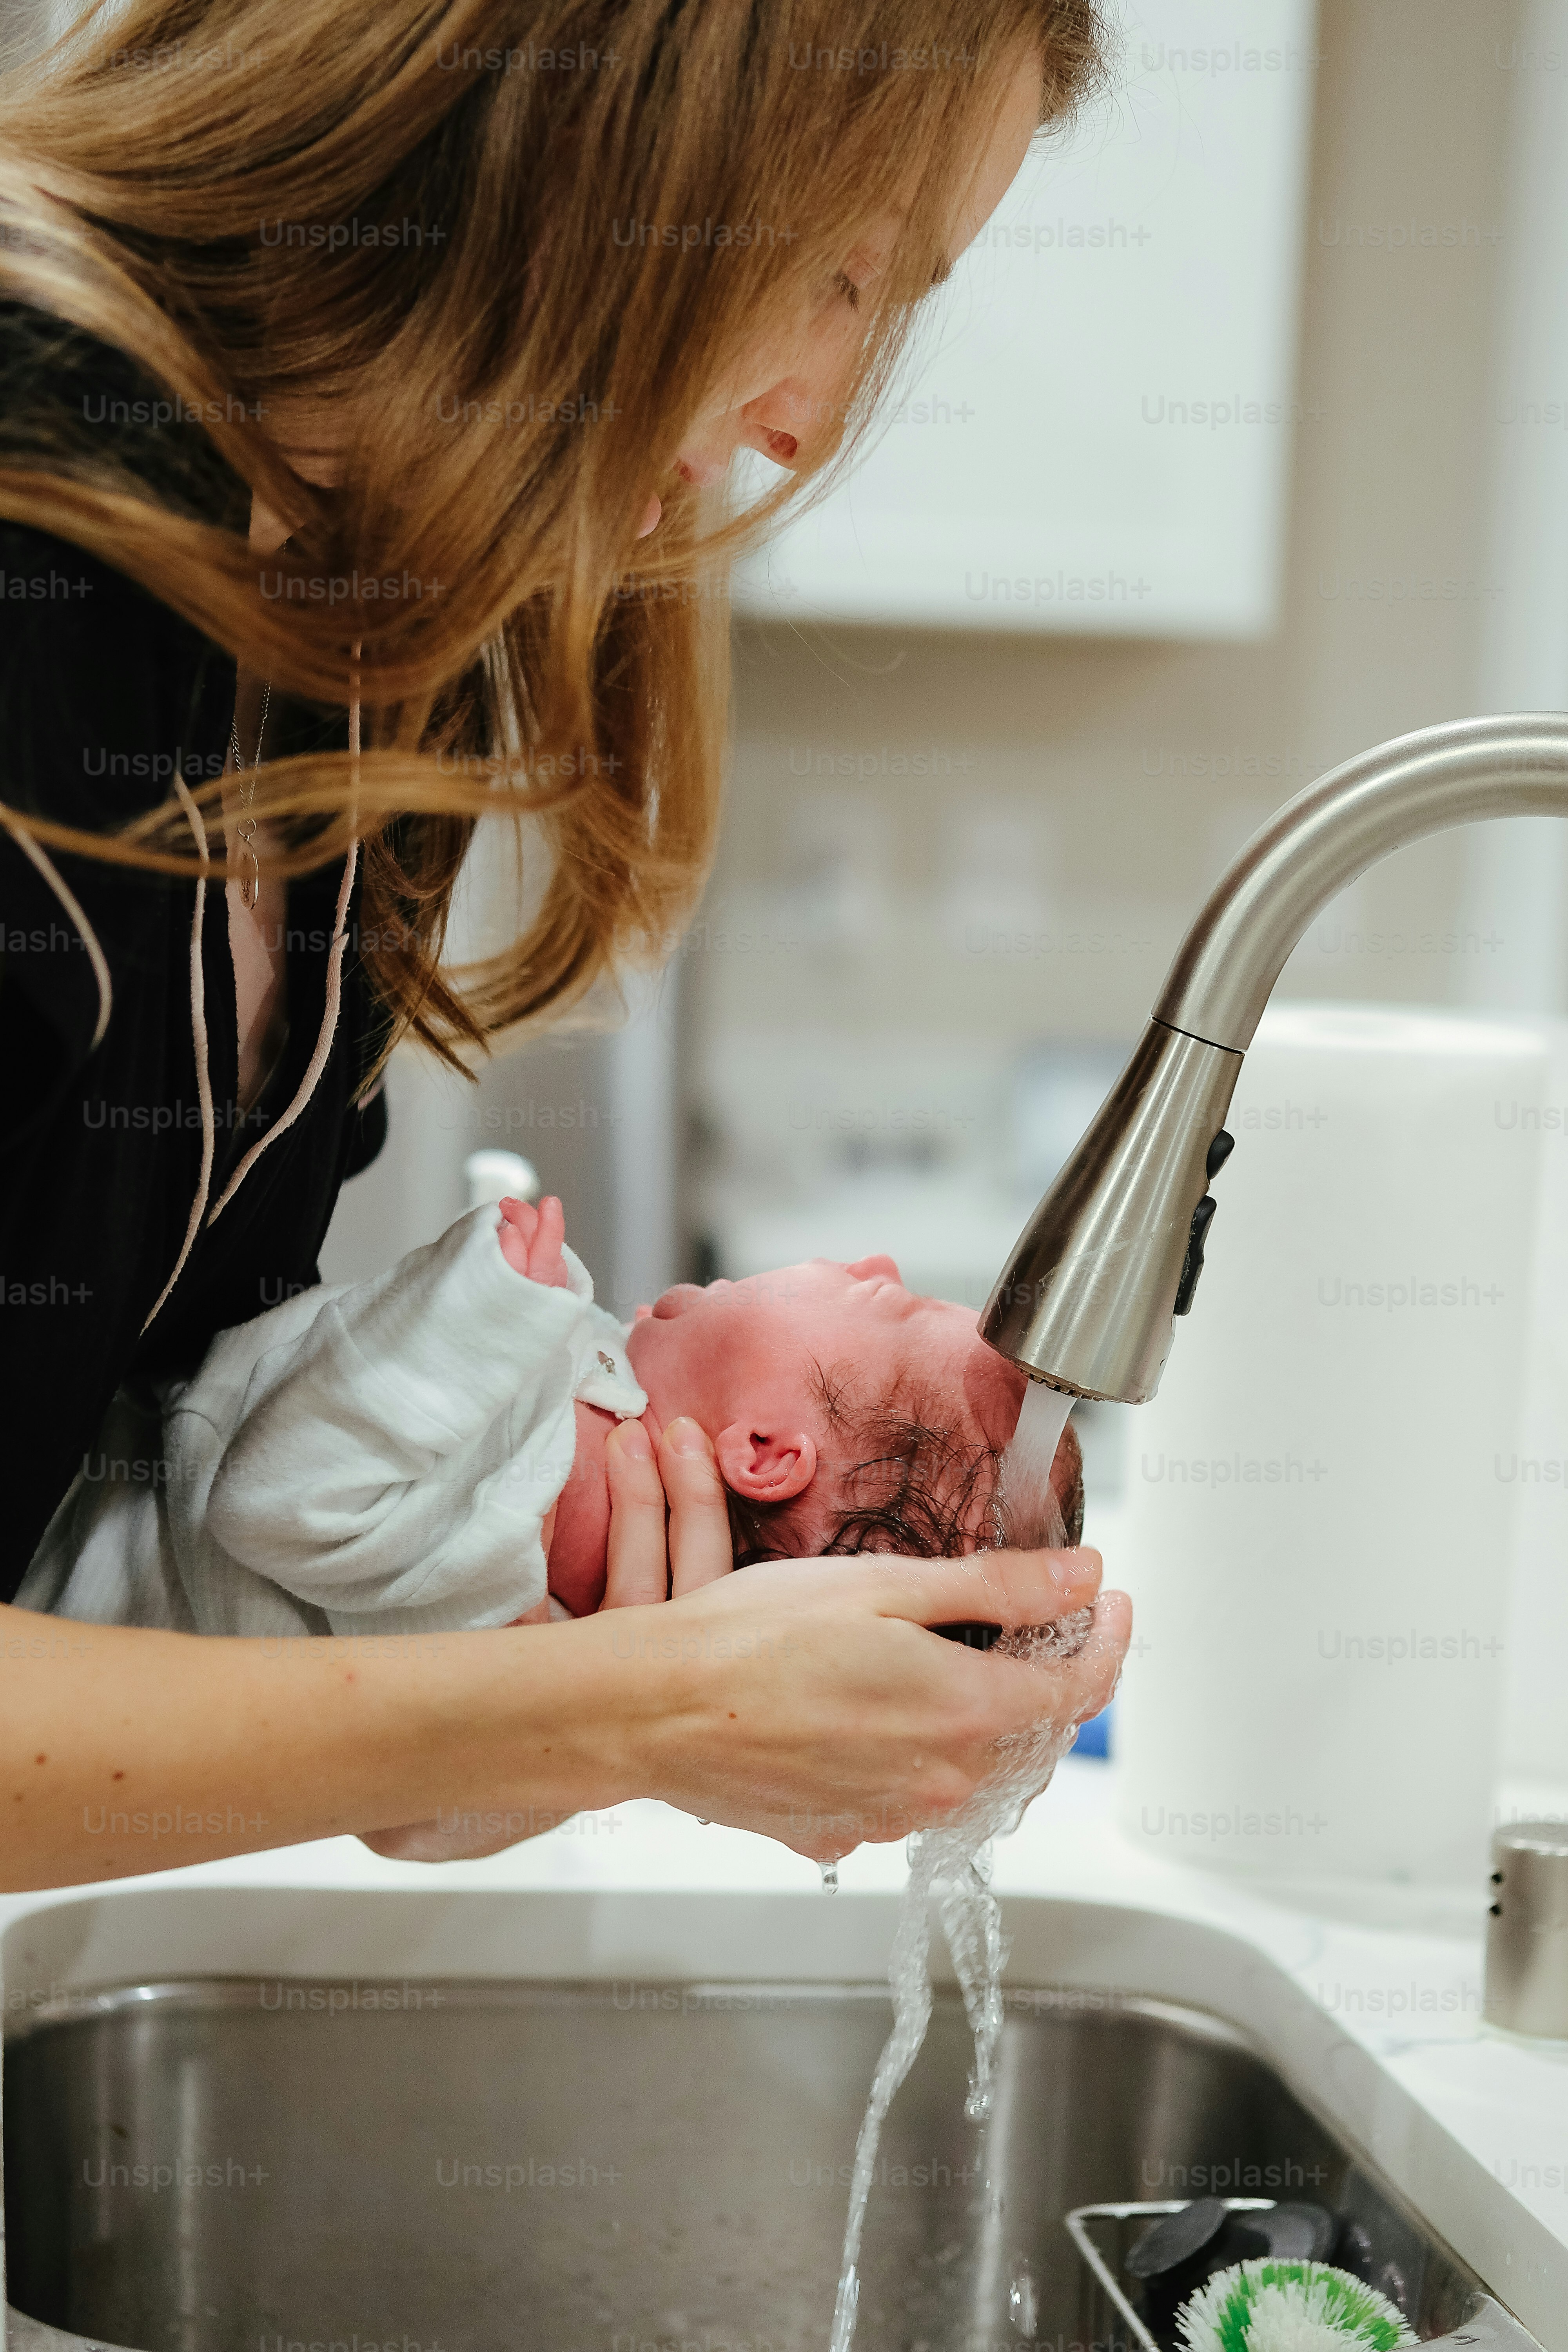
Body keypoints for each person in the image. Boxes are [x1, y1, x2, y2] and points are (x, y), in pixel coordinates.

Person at [0, 0, 1130, 1893]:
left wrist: (502, 1689)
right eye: (847, 272)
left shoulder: (342, 638)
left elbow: (153, 1556)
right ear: (601, 143)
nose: (809, 422)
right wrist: (611, 1713)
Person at [19, 1192, 1086, 1639]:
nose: (875, 1262)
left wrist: (470, 1324)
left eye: (883, 1302)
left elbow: (278, 1502)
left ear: (764, 1452)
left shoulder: (562, 1486)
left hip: (49, 1589)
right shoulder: (591, 1462)